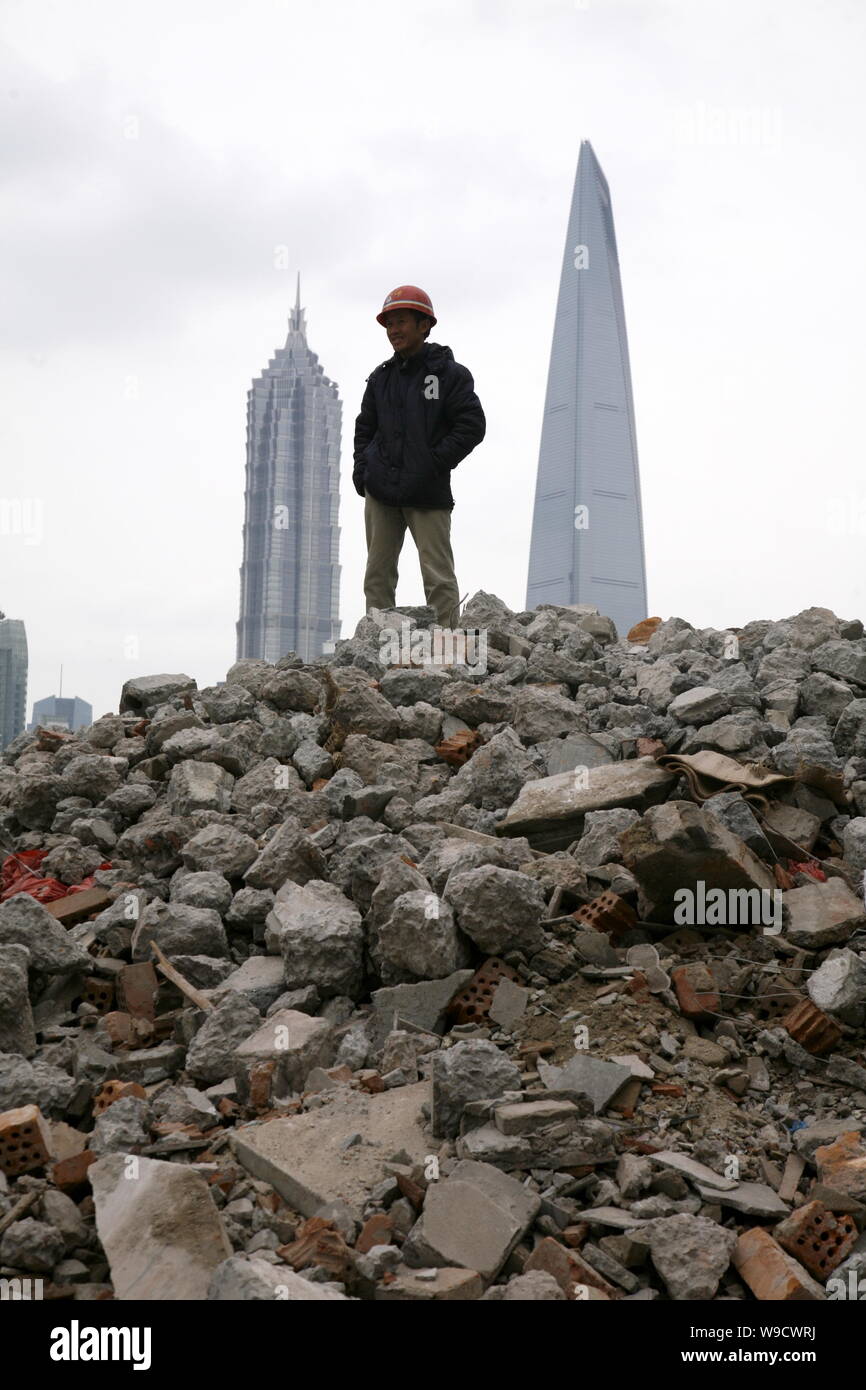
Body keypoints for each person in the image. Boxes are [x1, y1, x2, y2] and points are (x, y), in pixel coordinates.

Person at [353, 285, 486, 629]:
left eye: (401, 322)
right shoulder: (380, 379)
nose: (394, 330)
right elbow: (365, 427)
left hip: (428, 492)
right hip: (381, 490)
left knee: (438, 576)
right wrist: (363, 472)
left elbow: (472, 425)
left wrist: (433, 463)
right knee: (377, 576)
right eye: (389, 324)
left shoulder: (450, 375)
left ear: (424, 324)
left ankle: (446, 651)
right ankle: (379, 648)